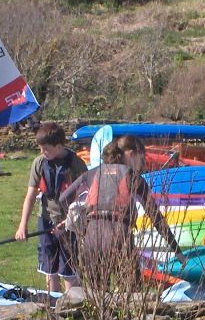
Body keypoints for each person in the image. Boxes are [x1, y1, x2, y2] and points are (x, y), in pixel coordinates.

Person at [58, 134, 184, 289]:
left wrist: (75, 219)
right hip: (119, 238)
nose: (142, 163)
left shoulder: (92, 173)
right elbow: (155, 216)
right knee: (132, 294)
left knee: (96, 296)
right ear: (131, 154)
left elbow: (63, 198)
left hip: (92, 239)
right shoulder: (132, 176)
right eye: (141, 157)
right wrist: (176, 250)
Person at [15, 121, 88, 294]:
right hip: (46, 220)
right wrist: (22, 225)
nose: (42, 152)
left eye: (46, 149)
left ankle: (72, 306)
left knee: (69, 269)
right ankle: (53, 305)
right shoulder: (39, 163)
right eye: (40, 148)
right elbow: (31, 196)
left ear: (59, 146)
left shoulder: (76, 164)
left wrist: (68, 221)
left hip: (70, 222)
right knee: (50, 268)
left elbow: (85, 198)